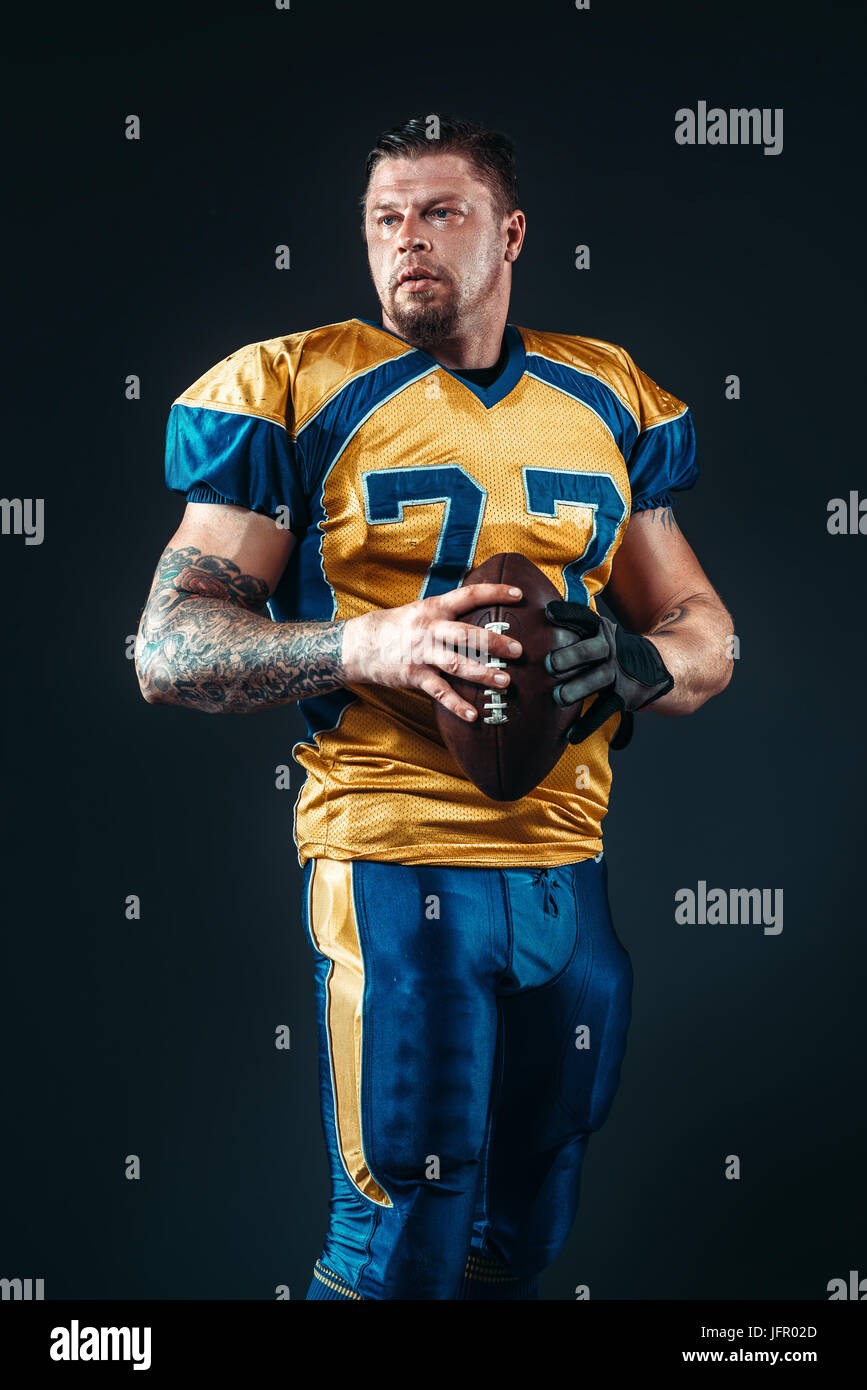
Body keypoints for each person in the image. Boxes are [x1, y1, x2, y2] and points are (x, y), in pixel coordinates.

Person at [135, 116, 733, 1300]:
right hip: (391, 854)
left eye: (440, 212)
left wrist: (638, 664)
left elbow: (707, 630)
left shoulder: (609, 394)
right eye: (386, 218)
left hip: (568, 860)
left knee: (524, 1226)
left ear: (509, 233)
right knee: (401, 1223)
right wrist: (370, 640)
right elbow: (168, 647)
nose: (409, 238)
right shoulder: (298, 385)